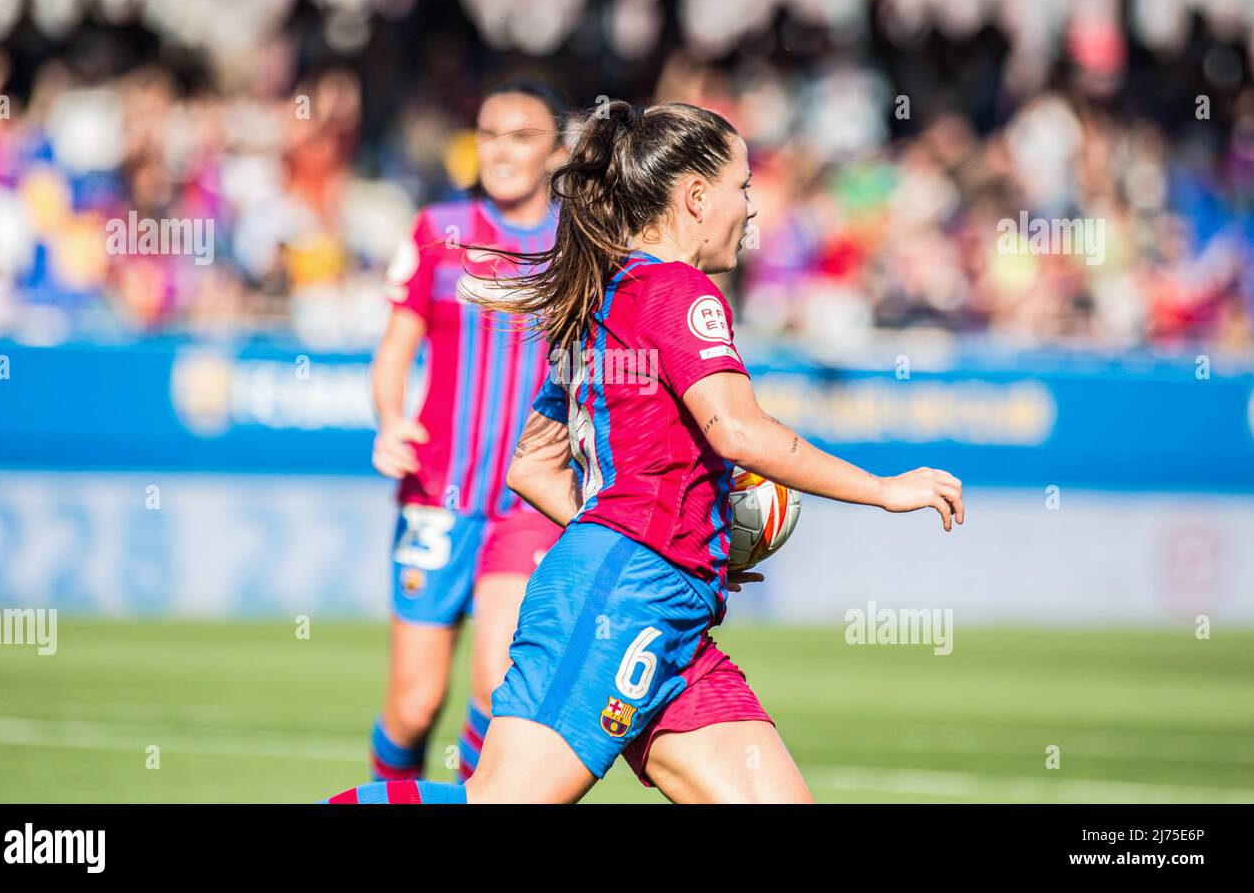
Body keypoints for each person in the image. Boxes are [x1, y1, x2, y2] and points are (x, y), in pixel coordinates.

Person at [330, 100, 964, 804]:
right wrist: (883, 489)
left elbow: (531, 467)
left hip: (668, 606)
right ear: (696, 196)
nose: (751, 209)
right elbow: (738, 431)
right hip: (624, 598)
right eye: (742, 187)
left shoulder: (601, 296)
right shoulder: (676, 290)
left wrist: (686, 541)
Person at [367, 79, 568, 784]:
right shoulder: (435, 230)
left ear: (557, 151)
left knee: (494, 692)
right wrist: (391, 421)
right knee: (415, 705)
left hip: (527, 505)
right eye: (489, 134)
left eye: (522, 136)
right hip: (436, 496)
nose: (501, 150)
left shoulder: (581, 246)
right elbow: (395, 350)